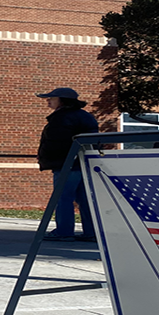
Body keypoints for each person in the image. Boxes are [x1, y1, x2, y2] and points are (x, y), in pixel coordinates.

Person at [35, 88, 99, 241]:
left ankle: (64, 231)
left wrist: (48, 158)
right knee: (84, 199)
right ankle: (91, 232)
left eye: (52, 98)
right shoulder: (85, 116)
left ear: (63, 100)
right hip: (85, 163)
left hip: (66, 164)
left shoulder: (62, 118)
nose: (48, 100)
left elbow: (57, 142)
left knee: (63, 197)